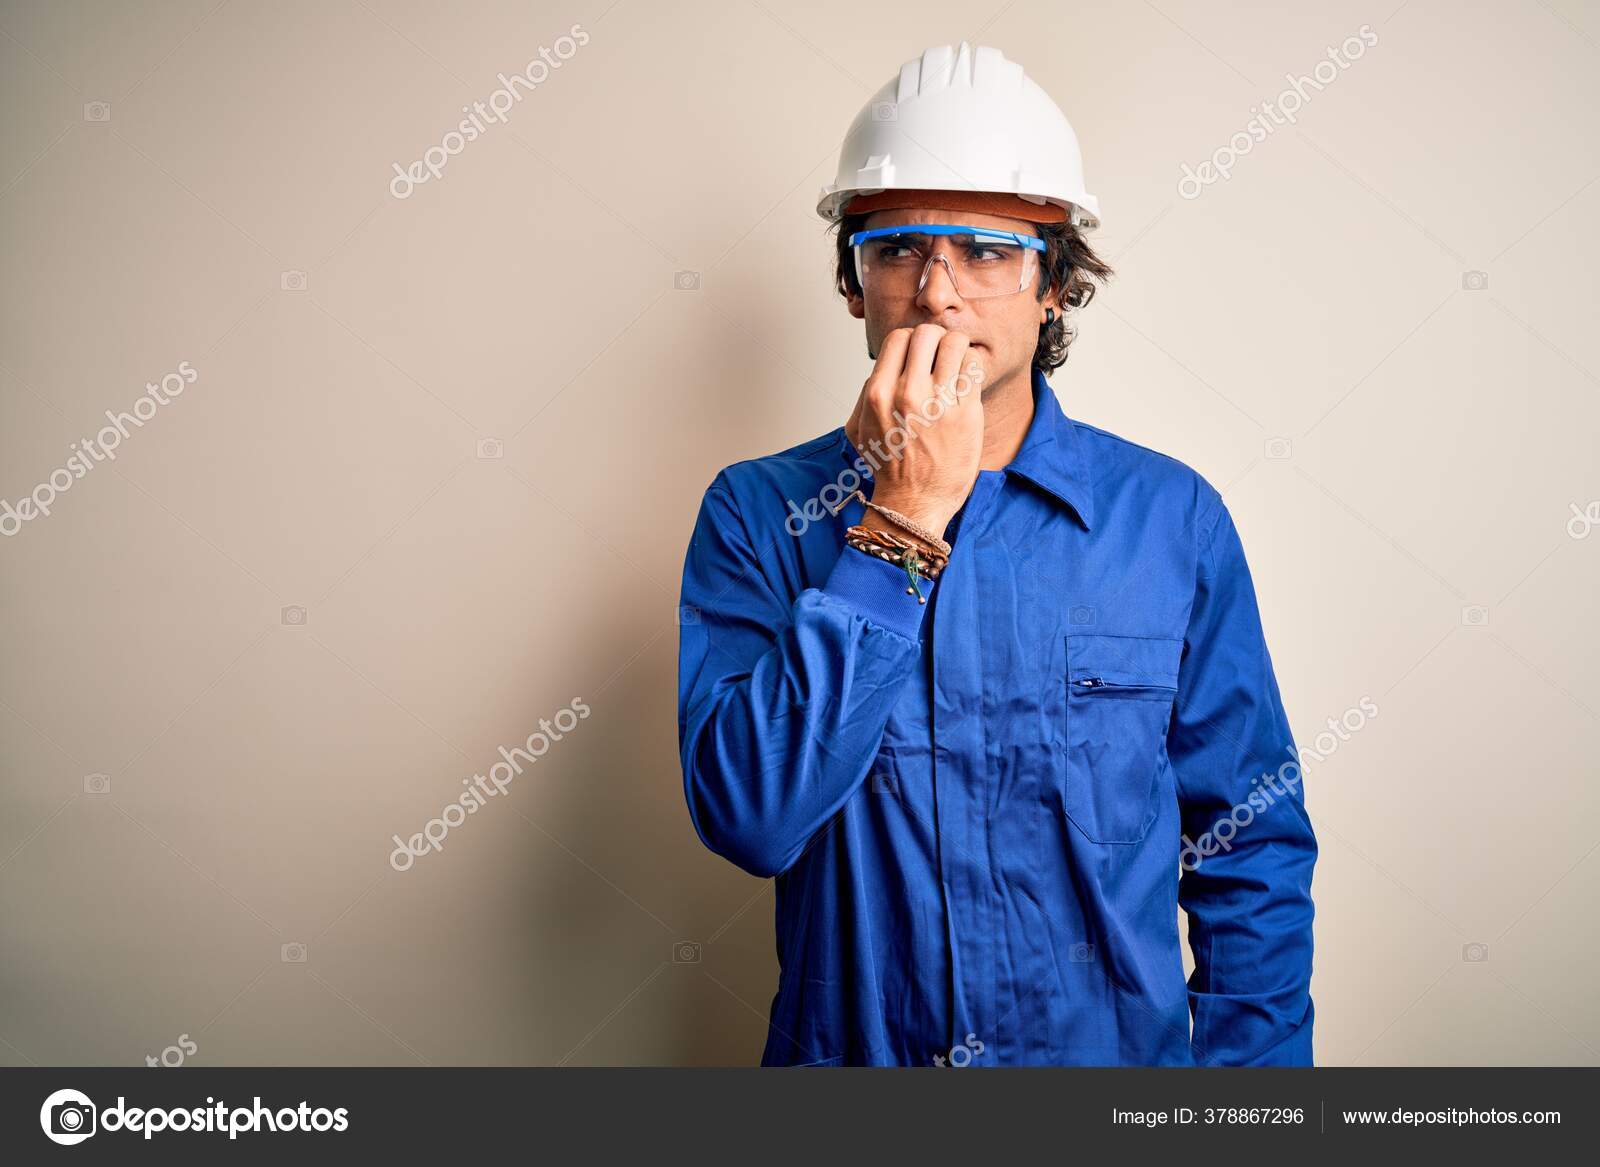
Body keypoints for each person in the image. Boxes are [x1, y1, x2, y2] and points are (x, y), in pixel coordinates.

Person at [677, 42, 1316, 1066]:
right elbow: (752, 820)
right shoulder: (757, 515)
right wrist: (900, 524)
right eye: (896, 249)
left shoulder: (1168, 520)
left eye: (983, 250)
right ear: (853, 284)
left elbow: (1250, 851)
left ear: (1053, 283)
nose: (937, 293)